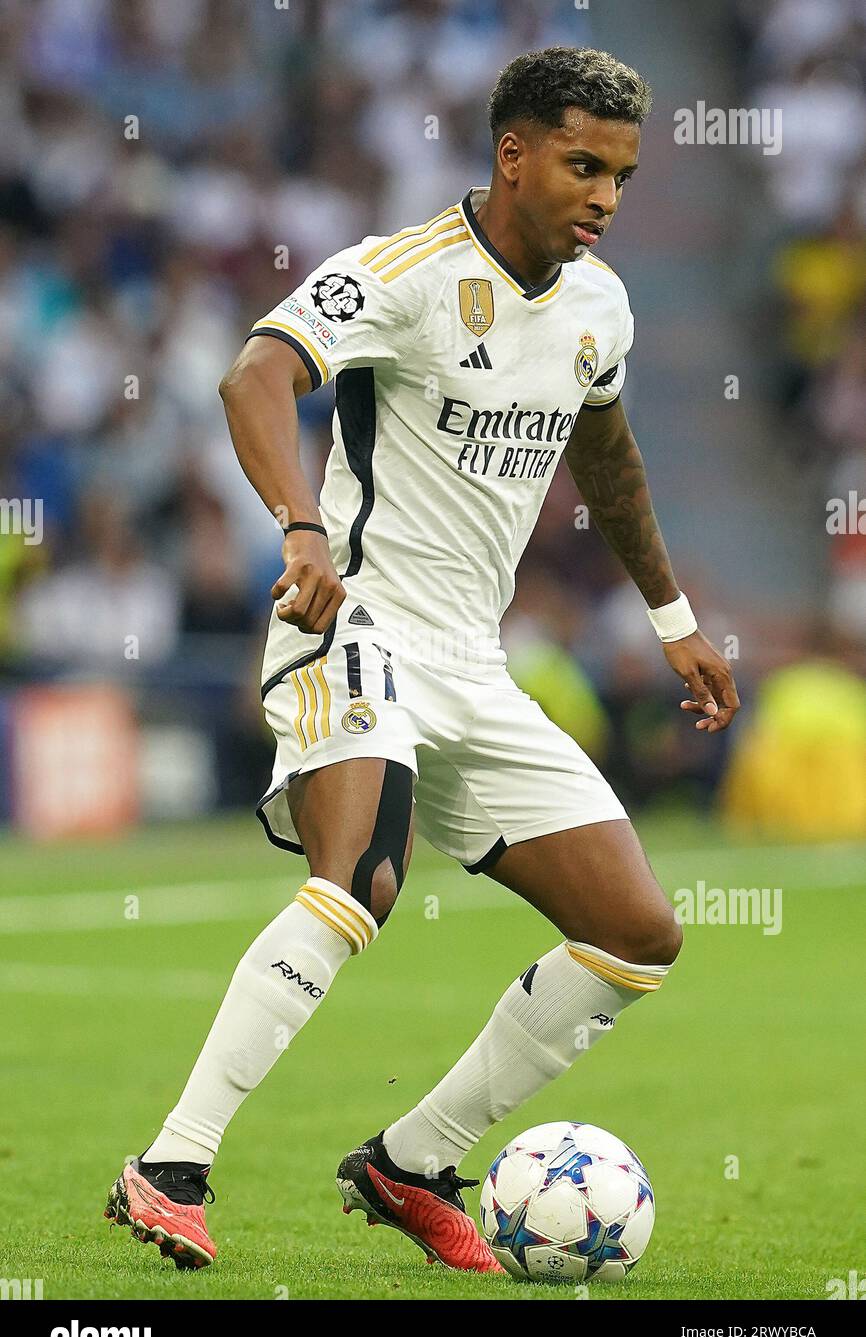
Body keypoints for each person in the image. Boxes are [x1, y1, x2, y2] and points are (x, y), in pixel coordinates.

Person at [105, 46, 739, 1274]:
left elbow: (605, 466)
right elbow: (256, 374)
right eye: (581, 164)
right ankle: (169, 1165)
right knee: (364, 880)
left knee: (636, 933)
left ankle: (404, 1160)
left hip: (470, 663)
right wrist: (297, 526)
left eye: (620, 173)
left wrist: (671, 621)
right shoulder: (403, 275)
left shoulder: (598, 304)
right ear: (513, 154)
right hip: (350, 622)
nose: (605, 194)